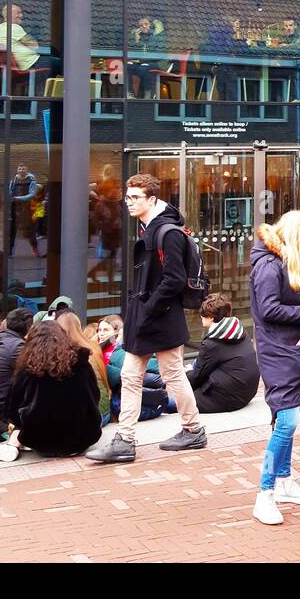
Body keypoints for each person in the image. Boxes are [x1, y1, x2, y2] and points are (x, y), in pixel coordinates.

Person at [86, 172, 208, 462]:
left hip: (158, 316)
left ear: (151, 199)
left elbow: (174, 279)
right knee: (132, 375)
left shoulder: (166, 232)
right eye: (127, 197)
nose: (128, 202)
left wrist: (149, 308)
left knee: (171, 374)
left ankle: (192, 430)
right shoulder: (152, 229)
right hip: (150, 314)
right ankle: (127, 439)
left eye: (135, 197)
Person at [250, 211, 300, 525]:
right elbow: (268, 309)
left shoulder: (275, 262)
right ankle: (264, 492)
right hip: (279, 351)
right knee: (287, 420)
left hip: (289, 349)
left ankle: (283, 480)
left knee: (287, 416)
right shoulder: (268, 266)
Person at [7, 321, 102, 456]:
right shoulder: (81, 363)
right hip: (82, 437)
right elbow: (95, 395)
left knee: (19, 422)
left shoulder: (27, 368)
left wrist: (19, 424)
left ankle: (13, 445)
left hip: (41, 442)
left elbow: (13, 405)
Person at [188, 295, 260, 415]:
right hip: (247, 391)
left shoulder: (212, 343)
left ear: (211, 318)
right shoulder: (239, 330)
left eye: (203, 315)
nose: (201, 317)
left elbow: (196, 377)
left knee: (178, 399)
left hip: (226, 398)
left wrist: (182, 378)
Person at [53, 308, 112, 420]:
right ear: (79, 326)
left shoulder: (66, 353)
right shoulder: (93, 346)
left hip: (89, 416)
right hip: (103, 410)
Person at [7, 163, 41, 258]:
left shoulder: (31, 180)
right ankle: (10, 251)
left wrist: (18, 198)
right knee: (12, 230)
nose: (21, 170)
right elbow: (10, 192)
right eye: (19, 168)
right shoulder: (14, 180)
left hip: (28, 208)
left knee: (31, 230)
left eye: (23, 168)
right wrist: (12, 197)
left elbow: (32, 194)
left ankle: (35, 249)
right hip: (16, 208)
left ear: (26, 169)